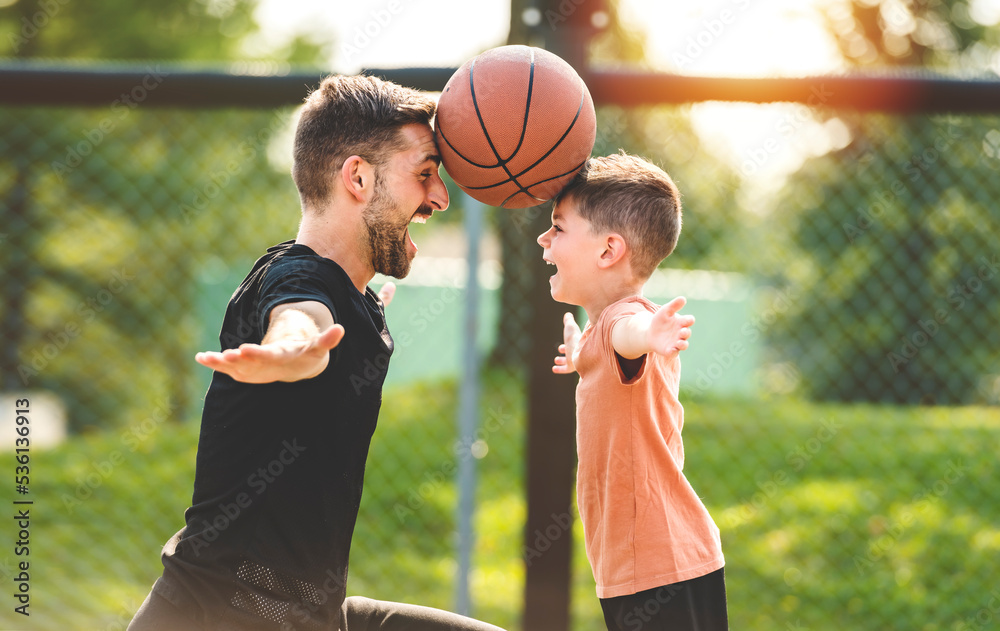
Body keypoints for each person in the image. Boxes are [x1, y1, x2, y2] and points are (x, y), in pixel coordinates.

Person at [128, 74, 505, 631]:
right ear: (357, 176)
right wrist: (292, 349)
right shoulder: (297, 278)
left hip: (306, 613)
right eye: (425, 174)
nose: (439, 197)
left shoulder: (347, 292)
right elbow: (301, 318)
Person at [537, 152, 728, 631]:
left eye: (558, 228)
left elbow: (629, 333)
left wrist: (649, 334)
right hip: (650, 563)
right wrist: (579, 357)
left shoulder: (625, 320)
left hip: (657, 567)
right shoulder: (602, 328)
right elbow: (610, 346)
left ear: (608, 251)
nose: (543, 238)